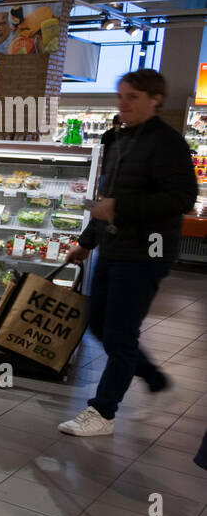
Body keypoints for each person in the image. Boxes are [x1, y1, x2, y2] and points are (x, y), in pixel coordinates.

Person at [57, 69, 198, 436]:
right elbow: (106, 201)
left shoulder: (169, 144)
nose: (123, 103)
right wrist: (86, 243)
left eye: (132, 97)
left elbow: (182, 198)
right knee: (100, 325)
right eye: (120, 96)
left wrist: (120, 209)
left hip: (147, 253)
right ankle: (155, 381)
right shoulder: (116, 139)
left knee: (120, 333)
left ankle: (103, 412)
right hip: (113, 247)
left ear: (155, 100)